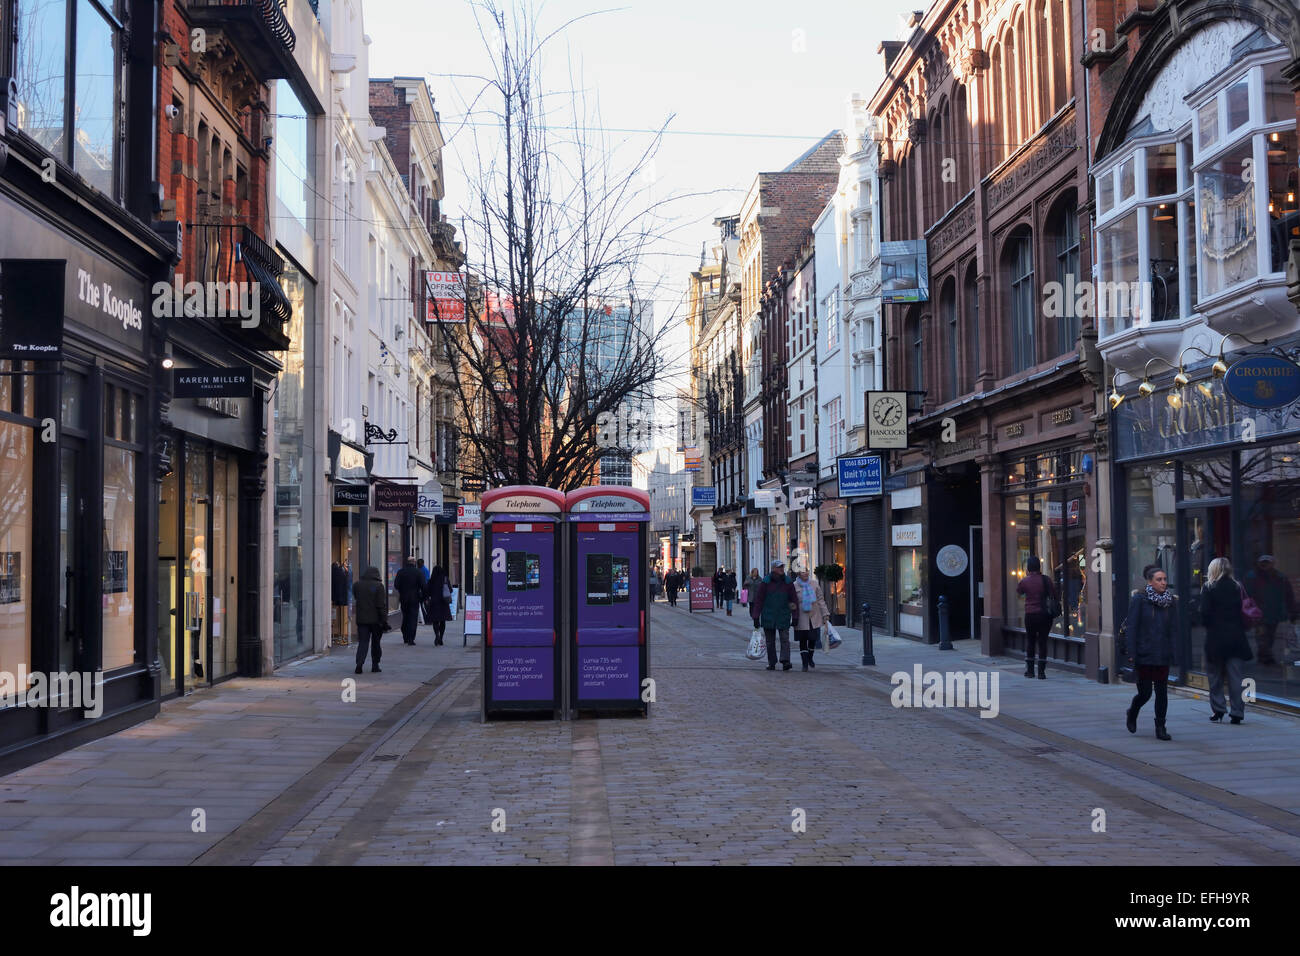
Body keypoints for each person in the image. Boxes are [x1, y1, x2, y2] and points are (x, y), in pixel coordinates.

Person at [1120, 564, 1178, 741]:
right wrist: (1132, 652)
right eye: (1159, 580)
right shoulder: (1140, 599)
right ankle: (1133, 711)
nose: (1163, 583)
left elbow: (1174, 629)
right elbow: (1132, 627)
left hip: (1162, 653)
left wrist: (1174, 650)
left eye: (1165, 579)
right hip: (1145, 653)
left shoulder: (1170, 602)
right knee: (1145, 693)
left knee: (1162, 692)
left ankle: (1160, 726)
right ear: (1150, 582)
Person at [1198, 557, 1252, 724]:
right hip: (1237, 637)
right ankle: (1237, 712)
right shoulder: (1237, 586)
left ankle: (1219, 709)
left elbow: (1205, 614)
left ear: (1212, 570)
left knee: (1215, 676)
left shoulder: (1208, 588)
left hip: (1216, 638)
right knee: (1236, 678)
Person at [1243, 554, 1297, 666]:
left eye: (1267, 562)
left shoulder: (1280, 577)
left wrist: (1292, 611)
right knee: (1262, 635)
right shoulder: (1252, 577)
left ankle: (1264, 656)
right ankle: (1266, 657)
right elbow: (1246, 595)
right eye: (1263, 562)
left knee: (1270, 635)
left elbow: (1288, 595)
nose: (1265, 564)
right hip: (1258, 613)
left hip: (1274, 613)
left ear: (1272, 564)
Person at [1016, 556, 1056, 679]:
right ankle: (1041, 672)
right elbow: (1054, 594)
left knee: (1031, 641)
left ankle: (1030, 671)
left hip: (1030, 615)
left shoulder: (1025, 581)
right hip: (1044, 615)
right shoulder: (1046, 580)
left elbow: (1019, 592)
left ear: (1028, 567)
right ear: (1039, 566)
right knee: (1043, 642)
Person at [756, 560, 799, 671]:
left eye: (782, 567)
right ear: (773, 568)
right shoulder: (766, 582)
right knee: (770, 641)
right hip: (768, 615)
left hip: (783, 614)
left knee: (785, 639)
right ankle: (772, 662)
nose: (781, 569)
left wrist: (795, 616)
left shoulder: (788, 582)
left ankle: (785, 661)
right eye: (779, 567)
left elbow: (794, 600)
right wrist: (756, 616)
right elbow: (759, 600)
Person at [793, 566, 831, 671]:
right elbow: (792, 601)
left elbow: (820, 599)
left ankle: (810, 657)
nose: (806, 573)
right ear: (799, 574)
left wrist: (825, 614)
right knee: (802, 640)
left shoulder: (814, 584)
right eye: (803, 572)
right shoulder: (794, 586)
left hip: (814, 616)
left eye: (807, 571)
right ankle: (804, 664)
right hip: (801, 617)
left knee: (813, 639)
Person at [352, 566, 388, 674]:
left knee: (363, 642)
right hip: (376, 621)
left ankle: (359, 663)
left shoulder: (357, 585)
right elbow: (380, 605)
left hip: (362, 619)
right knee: (376, 643)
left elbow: (356, 597)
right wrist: (384, 620)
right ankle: (375, 665)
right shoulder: (379, 586)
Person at [393, 557, 425, 645]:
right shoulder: (418, 572)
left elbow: (396, 585)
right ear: (414, 562)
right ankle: (411, 638)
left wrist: (402, 590)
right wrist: (423, 598)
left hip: (404, 598)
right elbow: (423, 586)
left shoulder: (401, 572)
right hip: (414, 598)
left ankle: (405, 636)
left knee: (406, 617)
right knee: (413, 618)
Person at [425, 562, 453, 646]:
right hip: (443, 602)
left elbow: (427, 591)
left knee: (435, 621)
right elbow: (450, 590)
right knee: (443, 621)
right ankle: (441, 637)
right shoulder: (445, 579)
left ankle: (436, 635)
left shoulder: (431, 580)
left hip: (434, 602)